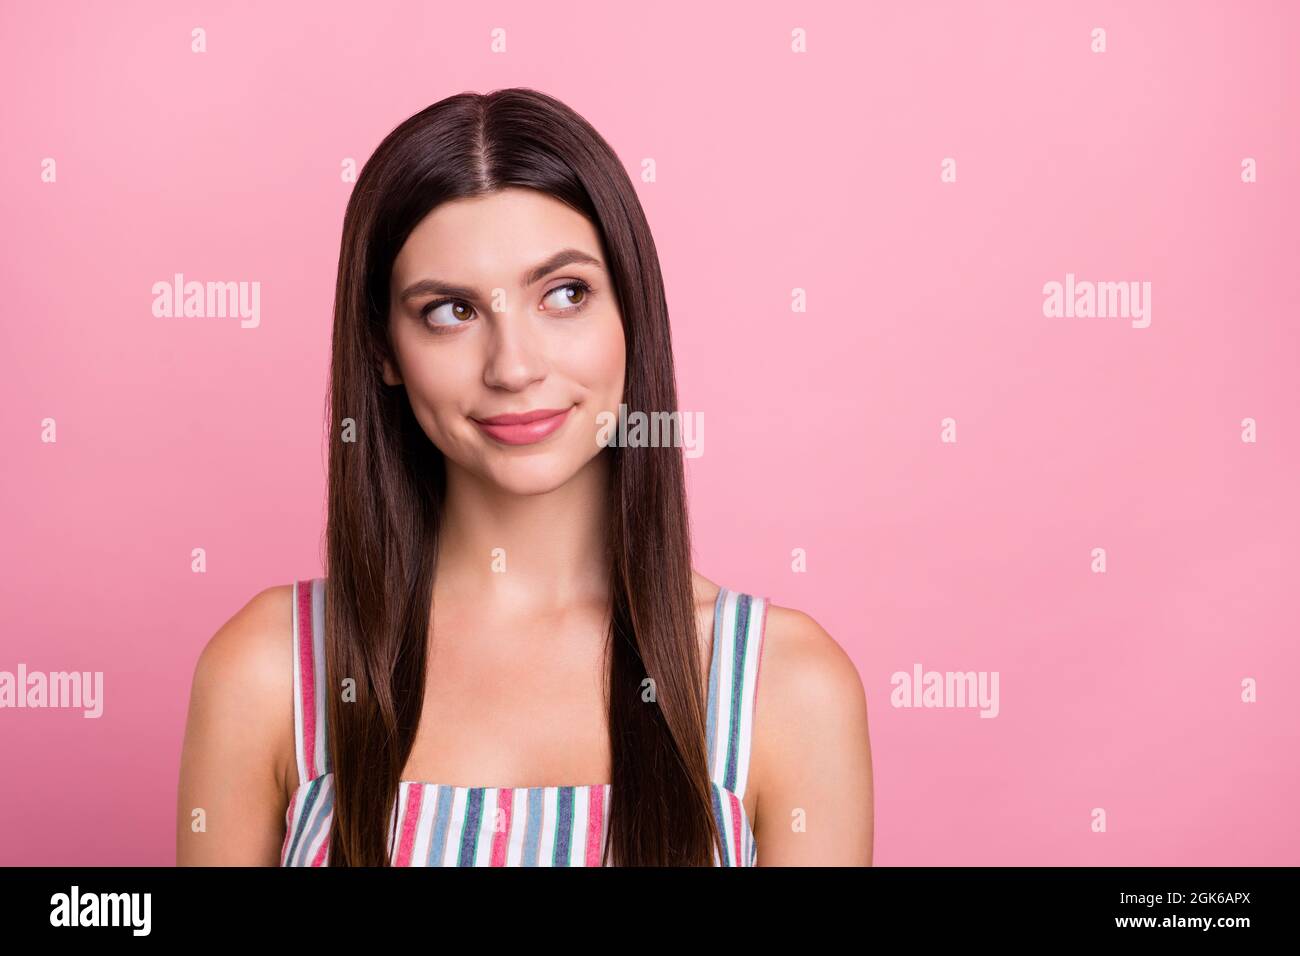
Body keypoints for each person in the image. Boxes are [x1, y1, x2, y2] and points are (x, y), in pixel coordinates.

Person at [176, 88, 873, 866]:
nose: (513, 367)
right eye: (451, 311)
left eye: (564, 294)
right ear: (383, 350)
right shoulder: (271, 671)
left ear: (630, 313)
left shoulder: (787, 687)